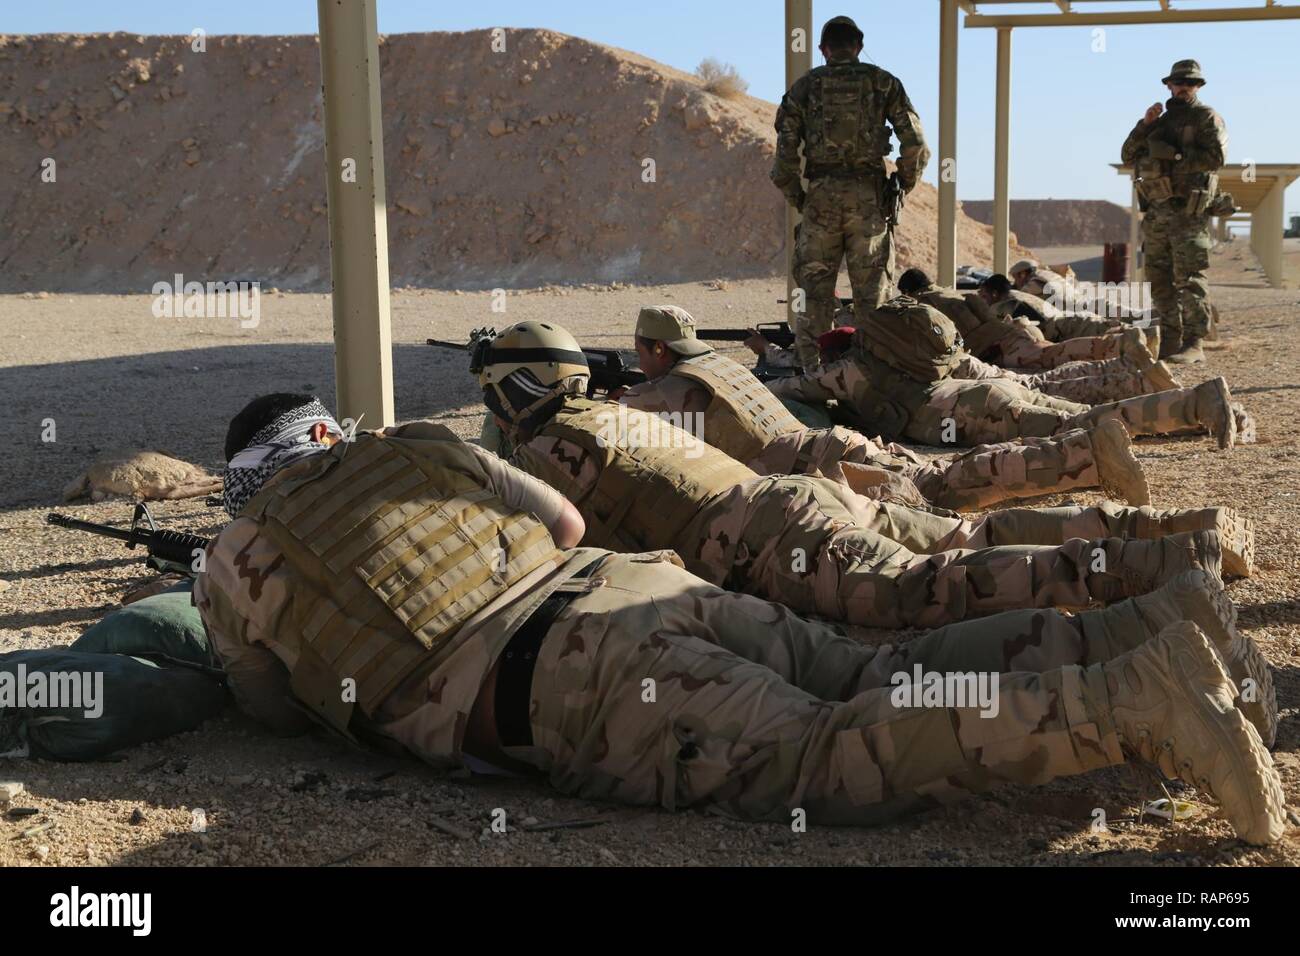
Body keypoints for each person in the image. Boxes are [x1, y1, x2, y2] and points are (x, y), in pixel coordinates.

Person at [194, 393, 1284, 841]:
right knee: (880, 667)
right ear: (326, 434)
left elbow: (270, 705)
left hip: (560, 683)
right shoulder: (413, 445)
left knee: (821, 755)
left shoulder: (236, 556)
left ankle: (1125, 700)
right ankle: (1147, 623)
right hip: (642, 589)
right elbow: (568, 521)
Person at [479, 321, 1226, 632]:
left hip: (778, 531)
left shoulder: (573, 441)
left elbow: (559, 543)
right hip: (806, 491)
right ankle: (1178, 540)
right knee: (970, 530)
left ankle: (1147, 570)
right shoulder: (631, 411)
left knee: (936, 586)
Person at [622, 304, 1154, 509]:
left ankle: (1083, 461)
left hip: (821, 464)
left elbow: (621, 424)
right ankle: (1084, 453)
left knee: (948, 488)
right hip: (832, 448)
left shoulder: (668, 389)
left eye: (642, 351)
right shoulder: (719, 368)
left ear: (658, 349)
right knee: (946, 474)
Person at [767, 296, 1250, 451]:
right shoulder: (911, 352)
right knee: (1088, 411)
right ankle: (1198, 405)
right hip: (983, 388)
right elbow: (971, 364)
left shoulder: (841, 374)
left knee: (1080, 426)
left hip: (977, 411)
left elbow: (786, 389)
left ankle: (1195, 408)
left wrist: (762, 375)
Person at [772, 15, 930, 370]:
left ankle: (813, 379)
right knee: (872, 300)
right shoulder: (883, 82)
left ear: (823, 49)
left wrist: (799, 197)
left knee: (815, 299)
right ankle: (870, 380)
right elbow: (916, 144)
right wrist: (902, 184)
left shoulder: (804, 88)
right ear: (858, 47)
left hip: (821, 199)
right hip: (869, 199)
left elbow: (783, 160)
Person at [1121, 59, 1226, 364]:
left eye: (1190, 83)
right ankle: (1169, 339)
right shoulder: (1159, 122)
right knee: (1159, 278)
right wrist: (1144, 125)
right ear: (1168, 85)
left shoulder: (1206, 117)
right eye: (1179, 83)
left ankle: (1194, 342)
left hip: (1187, 215)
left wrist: (1177, 155)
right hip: (1157, 214)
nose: (1183, 88)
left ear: (1198, 87)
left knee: (1190, 278)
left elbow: (1215, 157)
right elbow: (1127, 156)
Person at [901, 268, 1167, 378]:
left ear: (910, 291)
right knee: (1055, 353)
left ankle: (1124, 345)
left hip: (1002, 345)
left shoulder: (924, 304)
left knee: (1054, 357)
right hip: (1008, 335)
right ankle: (1127, 345)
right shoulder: (951, 294)